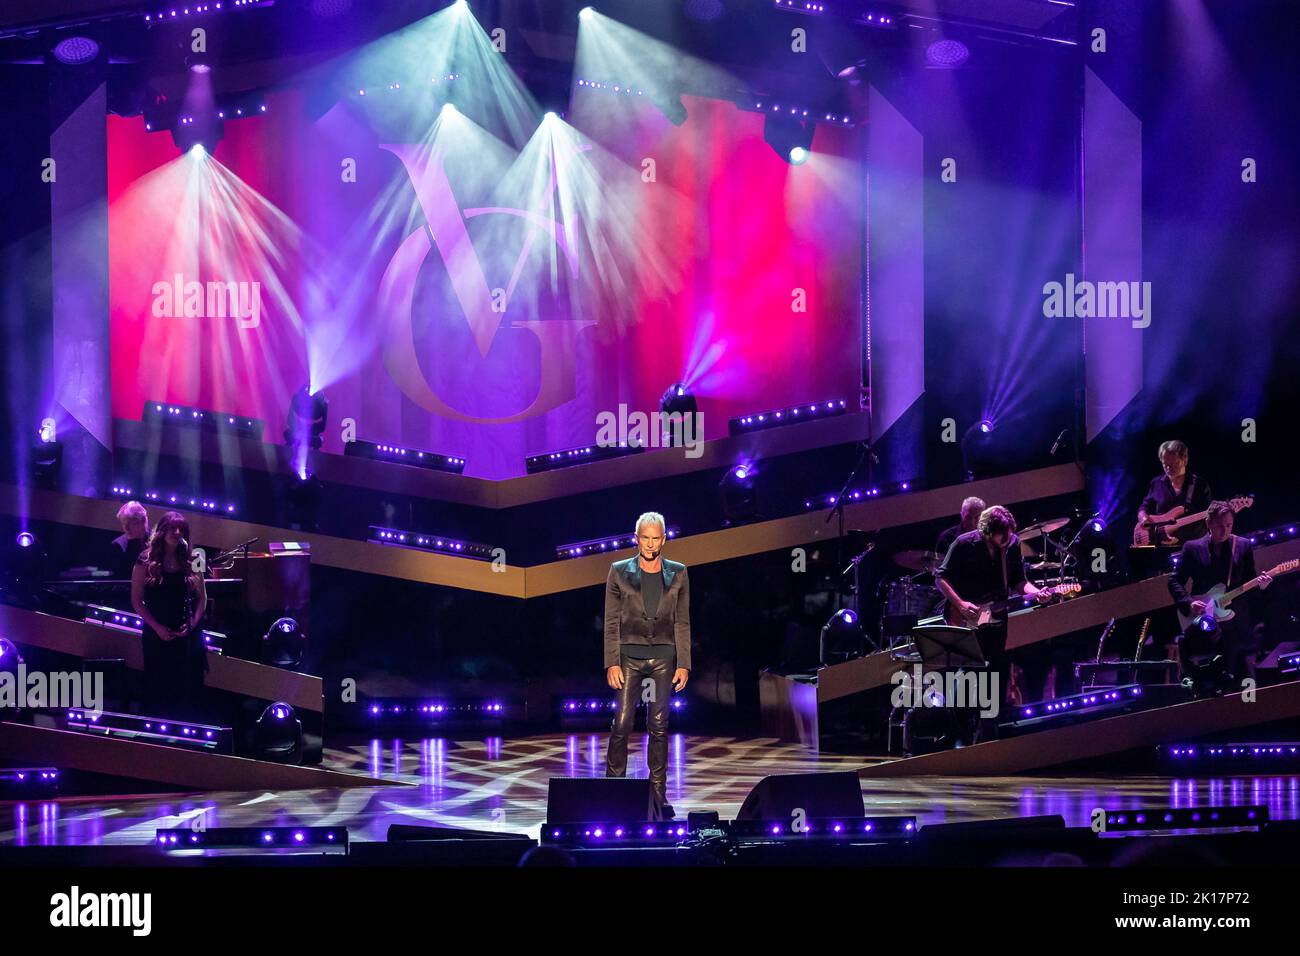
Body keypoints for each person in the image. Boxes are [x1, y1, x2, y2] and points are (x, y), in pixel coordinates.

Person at [935, 506, 1049, 739]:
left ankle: (988, 732)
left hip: (997, 618)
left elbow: (1019, 581)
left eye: (1008, 534)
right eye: (1002, 536)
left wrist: (1036, 592)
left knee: (997, 674)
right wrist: (960, 603)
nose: (1007, 540)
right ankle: (960, 730)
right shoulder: (964, 544)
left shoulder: (1013, 543)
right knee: (969, 674)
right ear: (987, 532)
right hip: (967, 618)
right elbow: (940, 578)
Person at [604, 511, 691, 817]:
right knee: (623, 723)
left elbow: (682, 621)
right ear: (636, 537)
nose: (651, 543)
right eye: (646, 537)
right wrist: (611, 662)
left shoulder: (678, 573)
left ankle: (657, 796)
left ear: (664, 539)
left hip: (664, 658)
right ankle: (614, 789)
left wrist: (684, 663)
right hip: (629, 657)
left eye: (656, 538)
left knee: (658, 727)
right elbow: (611, 621)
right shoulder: (618, 571)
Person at [1169, 501, 1271, 684]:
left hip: (1235, 622)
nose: (1224, 531)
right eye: (1219, 526)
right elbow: (1174, 580)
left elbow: (1250, 580)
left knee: (1237, 677)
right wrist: (1189, 602)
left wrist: (1260, 586)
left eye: (1229, 525)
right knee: (1205, 672)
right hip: (1204, 621)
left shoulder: (1243, 546)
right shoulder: (1192, 548)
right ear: (1208, 523)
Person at [130, 511, 208, 718]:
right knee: (159, 687)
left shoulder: (195, 557)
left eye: (181, 529)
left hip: (187, 633)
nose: (177, 532)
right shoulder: (144, 559)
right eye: (173, 528)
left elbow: (203, 599)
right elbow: (137, 601)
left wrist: (192, 623)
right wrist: (156, 627)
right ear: (162, 530)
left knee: (187, 688)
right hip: (157, 633)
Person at [1136, 440, 1212, 545]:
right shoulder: (1156, 483)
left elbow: (1209, 516)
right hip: (1161, 547)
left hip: (1194, 546)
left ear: (1185, 460)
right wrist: (1143, 517)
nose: (1168, 468)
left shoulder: (1200, 485)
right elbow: (1144, 507)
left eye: (1173, 463)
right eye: (1165, 463)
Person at [110, 501, 150, 580]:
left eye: (131, 523)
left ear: (144, 521)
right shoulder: (118, 545)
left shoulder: (156, 541)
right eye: (123, 524)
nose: (126, 528)